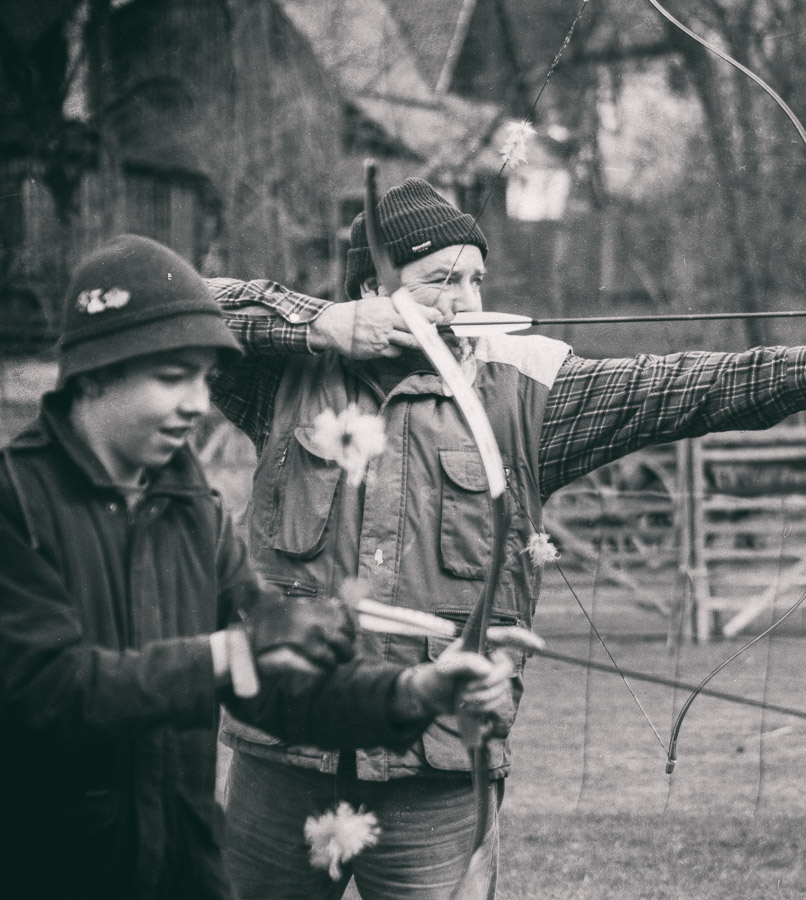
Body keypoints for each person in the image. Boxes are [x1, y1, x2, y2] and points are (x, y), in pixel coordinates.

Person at [206, 178, 806, 899]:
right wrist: (320, 323)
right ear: (370, 289)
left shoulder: (525, 388)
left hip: (440, 764)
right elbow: (183, 306)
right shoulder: (285, 377)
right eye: (441, 280)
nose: (467, 302)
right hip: (286, 750)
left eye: (476, 279)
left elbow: (674, 388)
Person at [0, 235, 518, 900]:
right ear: (95, 372)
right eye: (170, 377)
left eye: (201, 377)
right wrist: (231, 651)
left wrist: (416, 692)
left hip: (180, 873)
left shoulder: (189, 507)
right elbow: (53, 694)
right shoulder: (17, 504)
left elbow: (274, 685)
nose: (195, 402)